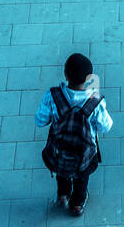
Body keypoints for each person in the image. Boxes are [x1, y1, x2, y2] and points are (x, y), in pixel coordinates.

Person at [35, 52, 113, 216]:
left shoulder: (53, 96)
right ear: (89, 78)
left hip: (60, 150)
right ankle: (77, 204)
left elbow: (40, 120)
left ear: (65, 74)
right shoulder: (95, 101)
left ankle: (63, 195)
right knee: (82, 178)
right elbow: (106, 126)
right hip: (84, 152)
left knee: (61, 172)